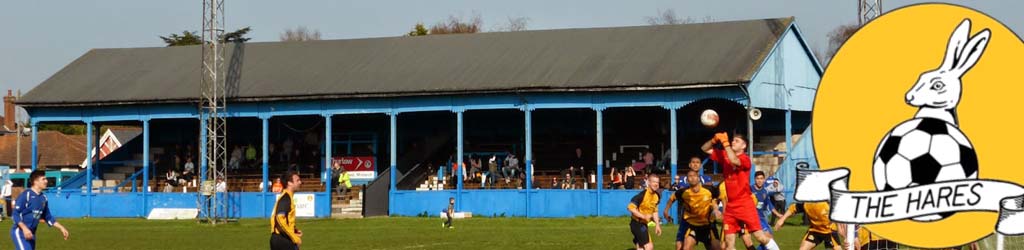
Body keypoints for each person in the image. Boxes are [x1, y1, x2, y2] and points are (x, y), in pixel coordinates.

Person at [702, 133, 780, 250]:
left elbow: (735, 161)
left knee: (760, 237)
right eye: (732, 140)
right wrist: (714, 140)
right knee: (729, 244)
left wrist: (725, 143)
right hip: (730, 207)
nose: (733, 142)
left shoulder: (745, 159)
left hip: (745, 204)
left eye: (737, 141)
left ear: (744, 146)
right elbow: (704, 148)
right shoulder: (725, 155)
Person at [11, 170, 71, 250]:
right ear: (36, 181)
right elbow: (15, 214)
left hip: (31, 233)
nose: (46, 181)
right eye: (43, 179)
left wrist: (61, 228)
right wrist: (25, 229)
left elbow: (48, 217)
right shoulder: (26, 195)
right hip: (20, 232)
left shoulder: (43, 198)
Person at [664, 170, 721, 250]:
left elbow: (719, 197)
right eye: (690, 176)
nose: (692, 178)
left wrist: (716, 208)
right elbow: (672, 198)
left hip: (708, 225)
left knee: (717, 247)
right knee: (686, 247)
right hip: (693, 226)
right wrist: (666, 211)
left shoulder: (709, 190)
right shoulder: (683, 192)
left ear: (698, 178)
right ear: (687, 180)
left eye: (694, 176)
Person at [774, 201, 846, 250]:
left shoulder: (827, 203)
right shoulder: (807, 204)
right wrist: (782, 219)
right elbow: (793, 208)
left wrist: (840, 227)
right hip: (815, 231)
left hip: (829, 232)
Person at [627, 174, 662, 250]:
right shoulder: (642, 195)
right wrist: (643, 216)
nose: (656, 184)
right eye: (654, 182)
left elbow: (655, 211)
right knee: (649, 247)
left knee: (641, 248)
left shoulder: (657, 196)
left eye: (657, 182)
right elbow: (630, 207)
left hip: (643, 224)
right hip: (637, 224)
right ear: (648, 182)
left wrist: (657, 225)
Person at [270, 171, 303, 250]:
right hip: (282, 239)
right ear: (289, 183)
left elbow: (285, 219)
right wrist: (294, 237)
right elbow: (279, 219)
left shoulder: (287, 197)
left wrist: (294, 229)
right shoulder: (286, 198)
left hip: (282, 238)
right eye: (297, 180)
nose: (300, 182)